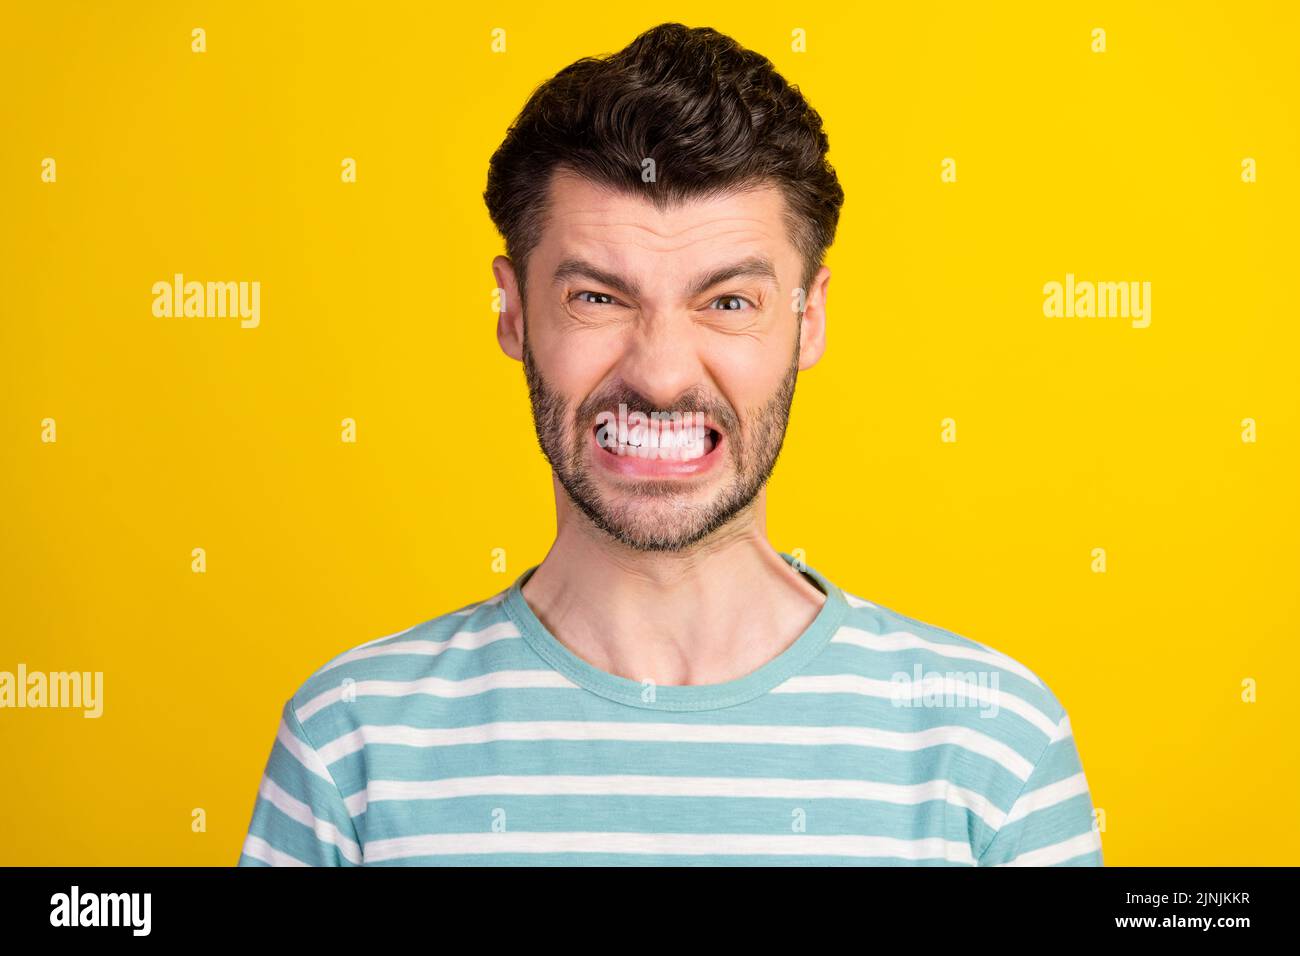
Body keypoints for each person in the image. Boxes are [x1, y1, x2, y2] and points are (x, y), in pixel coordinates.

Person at [238, 22, 1102, 867]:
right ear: (512, 309)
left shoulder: (996, 746)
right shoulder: (348, 744)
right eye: (596, 298)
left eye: (728, 302)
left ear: (810, 317)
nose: (658, 375)